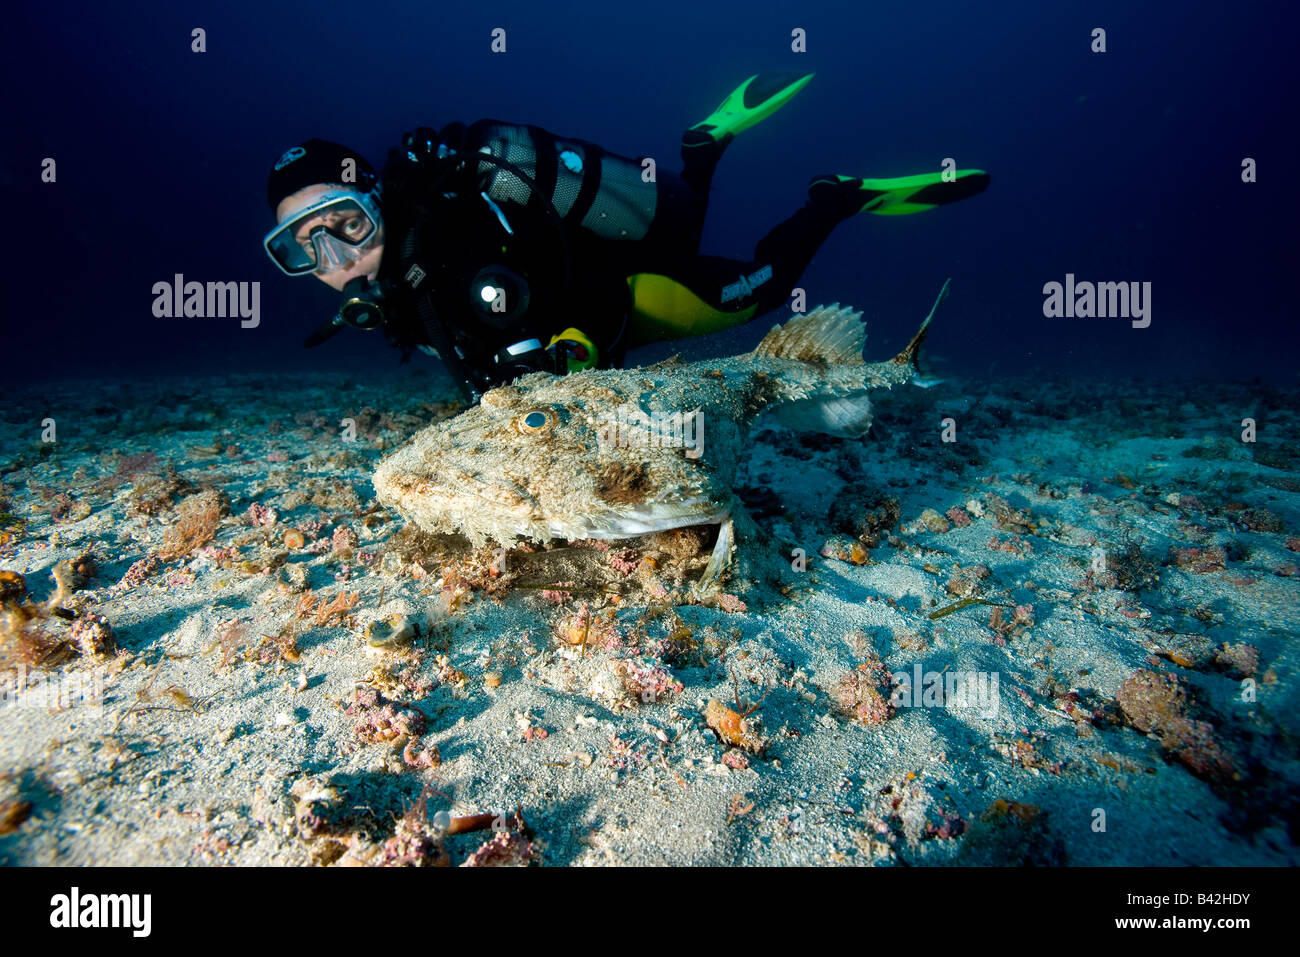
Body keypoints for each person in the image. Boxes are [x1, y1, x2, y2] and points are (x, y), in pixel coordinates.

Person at [263, 73, 989, 402]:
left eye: (346, 224)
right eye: (304, 246)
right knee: (682, 221)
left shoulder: (454, 251)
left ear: (376, 198)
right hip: (603, 249)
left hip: (630, 294)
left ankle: (833, 202)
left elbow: (536, 339)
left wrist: (570, 346)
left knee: (762, 291)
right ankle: (701, 151)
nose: (337, 256)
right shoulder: (392, 283)